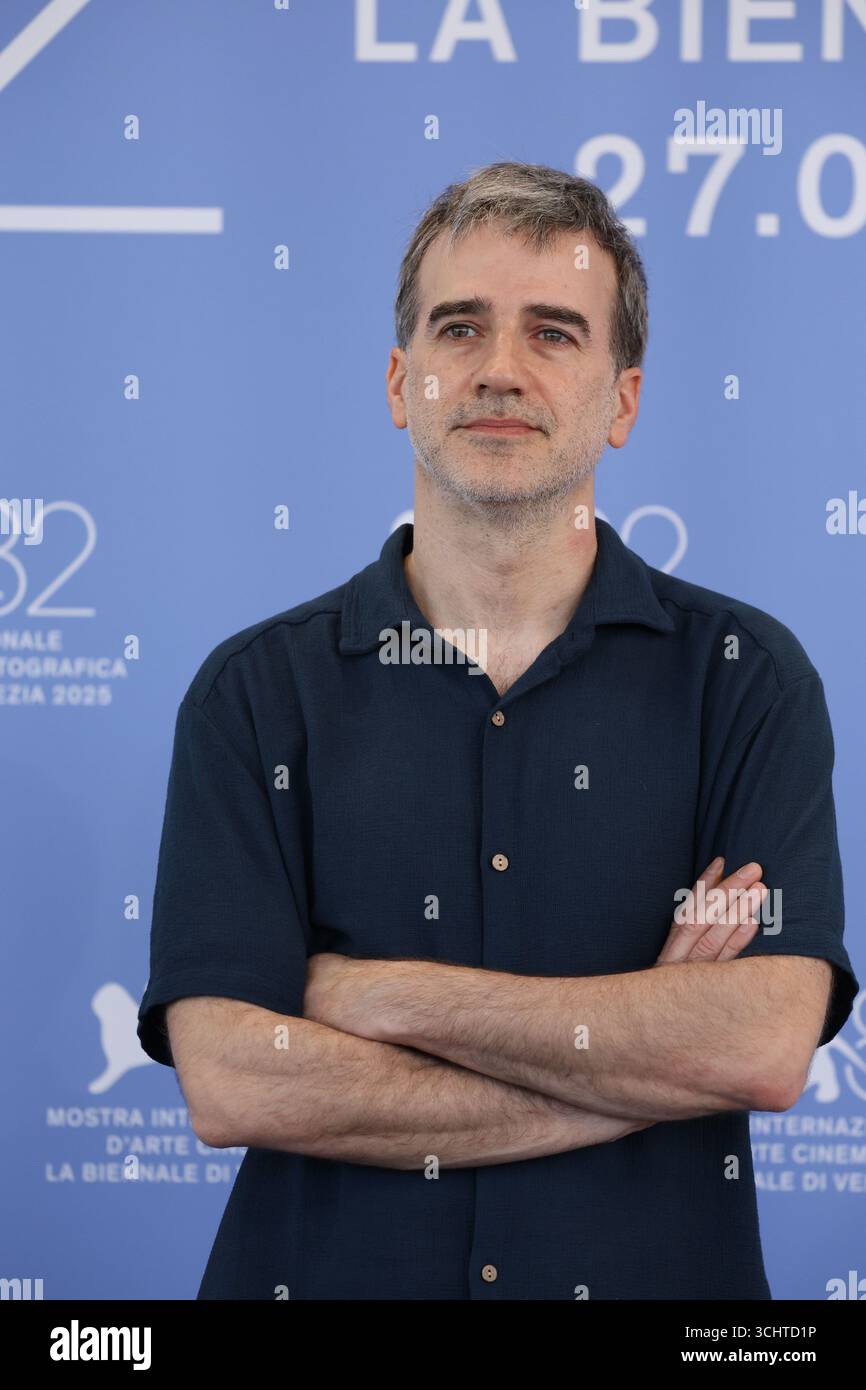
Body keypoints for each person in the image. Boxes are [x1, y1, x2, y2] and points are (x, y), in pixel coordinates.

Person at [137, 161, 859, 1300]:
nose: (498, 371)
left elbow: (759, 1041)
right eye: (459, 327)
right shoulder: (253, 694)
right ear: (398, 380)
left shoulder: (743, 680)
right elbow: (236, 1082)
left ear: (622, 400)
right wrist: (635, 1059)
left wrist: (371, 993)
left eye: (554, 334)